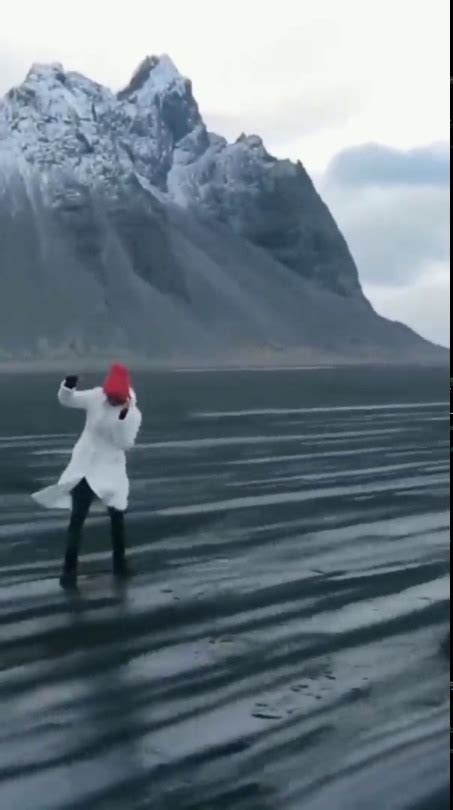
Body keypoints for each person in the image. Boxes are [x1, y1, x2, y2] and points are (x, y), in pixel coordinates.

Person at [32, 364, 142, 590]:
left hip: (111, 470)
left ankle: (120, 564)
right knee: (77, 519)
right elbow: (68, 400)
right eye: (110, 397)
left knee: (117, 518)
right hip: (86, 467)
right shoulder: (96, 397)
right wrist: (68, 386)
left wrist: (121, 419)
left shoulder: (132, 414)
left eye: (116, 399)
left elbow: (125, 444)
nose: (111, 401)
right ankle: (69, 570)